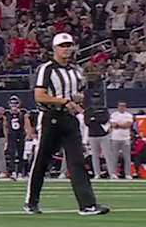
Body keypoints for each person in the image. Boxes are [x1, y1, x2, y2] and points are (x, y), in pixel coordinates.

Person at [24, 33, 109, 215]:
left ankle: (87, 204)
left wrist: (77, 101)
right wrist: (63, 101)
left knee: (77, 161)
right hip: (50, 117)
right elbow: (39, 96)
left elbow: (77, 94)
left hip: (69, 119)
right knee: (42, 161)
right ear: (54, 48)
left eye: (69, 45)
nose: (66, 48)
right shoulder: (46, 69)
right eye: (63, 45)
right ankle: (31, 201)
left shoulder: (75, 71)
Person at [4, 95, 33, 178]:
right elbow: (5, 126)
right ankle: (13, 171)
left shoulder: (23, 112)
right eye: (12, 103)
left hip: (20, 134)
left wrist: (28, 133)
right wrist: (6, 138)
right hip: (11, 135)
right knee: (12, 154)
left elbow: (27, 124)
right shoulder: (7, 113)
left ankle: (20, 171)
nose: (14, 105)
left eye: (15, 103)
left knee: (21, 154)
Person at [82, 98, 112, 179]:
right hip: (92, 135)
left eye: (97, 98)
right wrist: (97, 119)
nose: (96, 100)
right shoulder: (88, 110)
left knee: (108, 155)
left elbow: (105, 119)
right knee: (95, 156)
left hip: (103, 134)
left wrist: (94, 118)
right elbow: (87, 122)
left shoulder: (104, 109)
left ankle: (112, 173)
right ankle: (97, 173)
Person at [108, 100, 136, 180]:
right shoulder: (114, 114)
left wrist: (118, 125)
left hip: (125, 138)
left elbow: (128, 125)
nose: (122, 107)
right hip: (115, 138)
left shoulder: (129, 115)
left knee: (127, 157)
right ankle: (113, 173)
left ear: (125, 107)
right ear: (118, 107)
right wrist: (122, 125)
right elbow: (113, 125)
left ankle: (128, 174)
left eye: (123, 106)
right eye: (120, 106)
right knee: (114, 157)